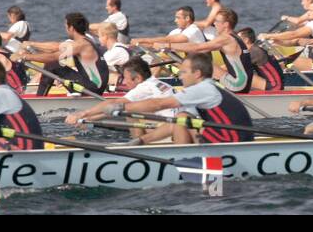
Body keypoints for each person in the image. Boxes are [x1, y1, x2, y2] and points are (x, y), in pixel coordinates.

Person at [119, 53, 254, 144]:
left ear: (197, 74)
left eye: (183, 72)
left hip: (232, 141)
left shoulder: (202, 89)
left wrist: (120, 108)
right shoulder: (204, 87)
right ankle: (182, 154)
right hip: (237, 137)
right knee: (183, 118)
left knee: (182, 119)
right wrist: (142, 140)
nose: (180, 76)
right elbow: (174, 123)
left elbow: (158, 104)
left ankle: (183, 159)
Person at [65, 59, 178, 144]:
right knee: (128, 107)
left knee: (130, 112)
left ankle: (137, 147)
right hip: (176, 127)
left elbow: (115, 103)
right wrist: (89, 120)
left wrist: (82, 113)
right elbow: (114, 108)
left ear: (137, 78)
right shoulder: (159, 83)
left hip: (168, 132)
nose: (123, 81)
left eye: (125, 78)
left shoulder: (144, 87)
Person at [156, 8, 255, 93]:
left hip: (237, 85)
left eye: (216, 21)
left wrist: (168, 45)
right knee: (203, 60)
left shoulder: (226, 39)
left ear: (226, 24)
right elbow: (201, 46)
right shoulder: (234, 37)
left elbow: (198, 47)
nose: (214, 24)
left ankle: (192, 91)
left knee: (204, 62)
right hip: (244, 84)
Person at [14, 12, 111, 96]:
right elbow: (56, 46)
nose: (66, 29)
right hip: (94, 87)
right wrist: (31, 43)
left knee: (52, 64)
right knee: (55, 64)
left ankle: (39, 100)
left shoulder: (81, 44)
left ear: (71, 28)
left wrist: (24, 56)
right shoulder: (85, 41)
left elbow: (53, 57)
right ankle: (41, 97)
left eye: (66, 27)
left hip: (92, 89)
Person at [260, 0, 313, 71]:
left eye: (311, 10)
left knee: (280, 64)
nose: (308, 13)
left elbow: (294, 34)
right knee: (279, 61)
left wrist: (269, 35)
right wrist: (277, 41)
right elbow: (294, 41)